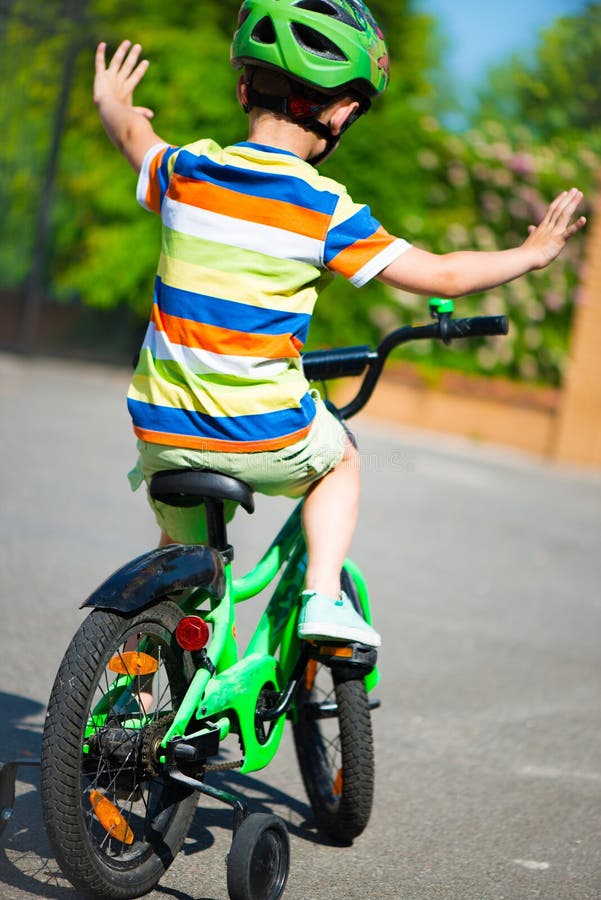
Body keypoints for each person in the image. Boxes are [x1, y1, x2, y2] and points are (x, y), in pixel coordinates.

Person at [93, 0, 585, 650]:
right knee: (343, 458)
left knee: (181, 561)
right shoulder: (323, 208)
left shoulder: (186, 172)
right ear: (342, 113)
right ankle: (322, 596)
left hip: (160, 429)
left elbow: (135, 139)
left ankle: (137, 696)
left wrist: (112, 103)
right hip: (261, 433)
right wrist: (530, 253)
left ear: (244, 87)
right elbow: (441, 276)